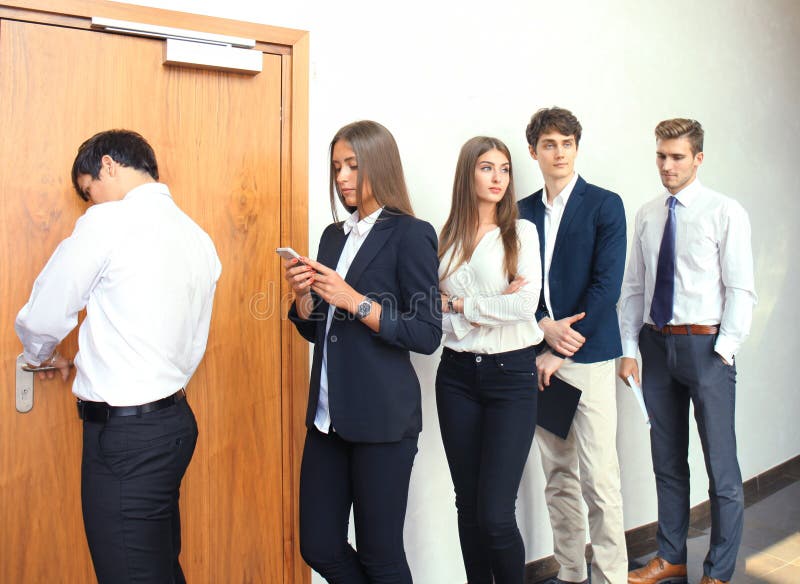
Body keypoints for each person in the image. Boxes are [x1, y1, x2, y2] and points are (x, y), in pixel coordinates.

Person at [15, 129, 222, 583]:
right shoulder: (197, 237)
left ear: (108, 165)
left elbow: (45, 314)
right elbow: (180, 340)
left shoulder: (108, 223)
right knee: (158, 568)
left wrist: (37, 354)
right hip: (173, 424)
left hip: (126, 439)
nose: (91, 204)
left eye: (89, 192)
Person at [284, 120, 441, 584]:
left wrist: (355, 300)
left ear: (380, 164)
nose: (342, 177)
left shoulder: (411, 234)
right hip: (326, 421)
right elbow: (319, 329)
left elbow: (426, 332)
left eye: (352, 165)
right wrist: (302, 296)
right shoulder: (333, 236)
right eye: (337, 167)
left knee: (381, 557)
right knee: (318, 545)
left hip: (382, 423)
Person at [620, 119, 757, 584]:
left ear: (698, 158)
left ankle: (718, 571)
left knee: (721, 467)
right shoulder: (648, 214)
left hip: (706, 347)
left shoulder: (725, 212)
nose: (667, 165)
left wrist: (724, 350)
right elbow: (634, 287)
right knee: (667, 460)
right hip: (656, 347)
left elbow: (741, 288)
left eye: (677, 157)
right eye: (661, 156)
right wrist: (629, 348)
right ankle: (671, 556)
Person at [517, 107, 628, 584]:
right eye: (549, 144)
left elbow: (606, 288)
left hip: (588, 359)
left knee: (599, 479)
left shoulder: (605, 205)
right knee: (558, 477)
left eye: (567, 143)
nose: (559, 153)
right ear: (534, 152)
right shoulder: (519, 212)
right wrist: (543, 328)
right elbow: (513, 284)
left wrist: (560, 349)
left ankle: (611, 576)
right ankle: (569, 573)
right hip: (540, 361)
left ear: (576, 147)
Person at [436, 136, 542, 584]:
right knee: (468, 505)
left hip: (511, 375)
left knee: (496, 514)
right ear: (468, 173)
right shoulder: (445, 238)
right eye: (486, 167)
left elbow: (524, 306)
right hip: (456, 376)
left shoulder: (522, 233)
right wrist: (491, 305)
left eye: (505, 169)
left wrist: (460, 305)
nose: (498, 177)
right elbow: (428, 308)